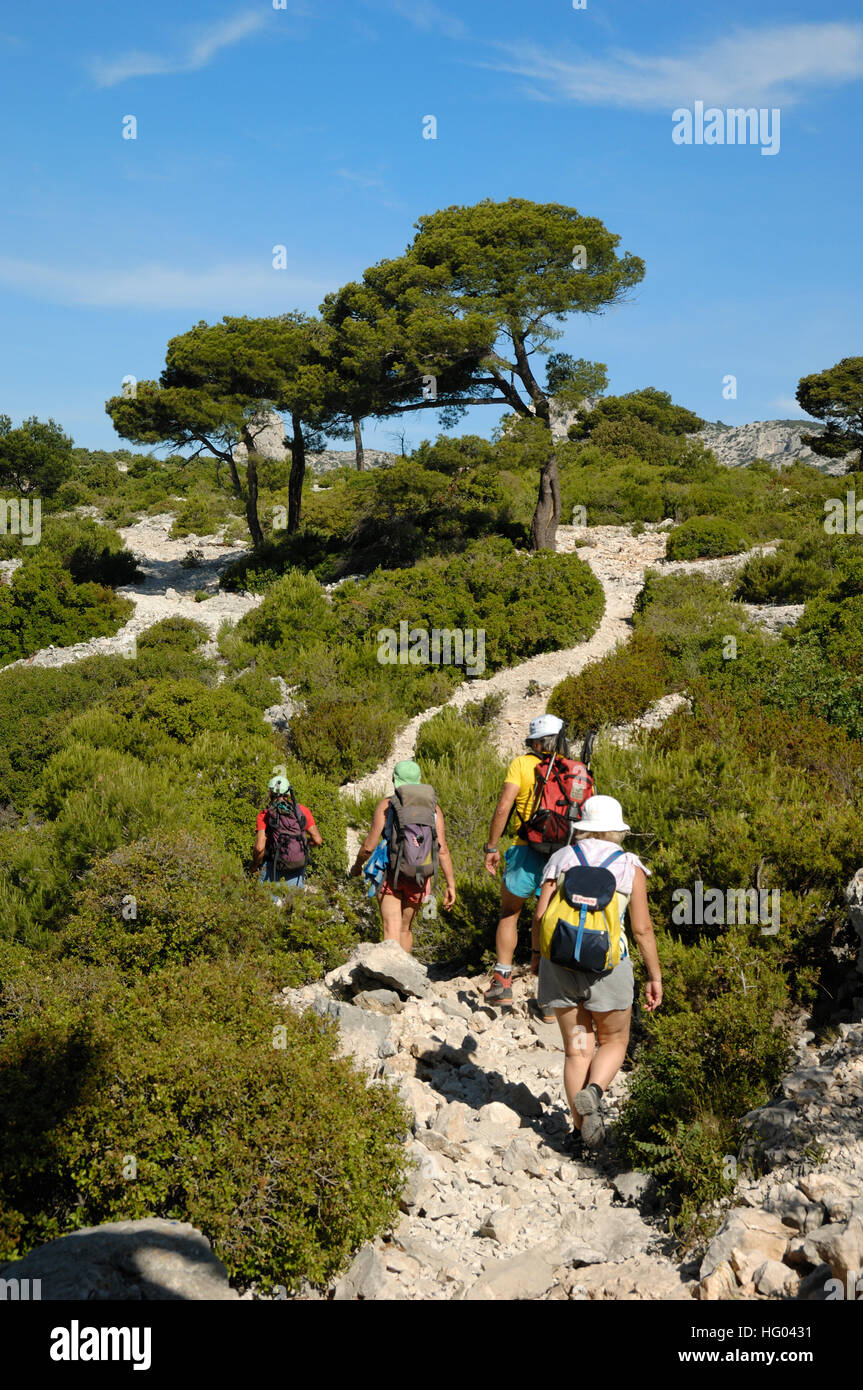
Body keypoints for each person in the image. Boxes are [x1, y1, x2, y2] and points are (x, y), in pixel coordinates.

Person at [530, 794, 663, 1154]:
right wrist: (655, 975)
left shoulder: (560, 859)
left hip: (560, 967)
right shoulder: (628, 865)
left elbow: (541, 916)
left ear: (583, 827)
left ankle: (579, 1136)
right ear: (616, 830)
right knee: (615, 1041)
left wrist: (536, 957)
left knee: (577, 1051)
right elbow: (642, 929)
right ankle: (595, 1092)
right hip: (609, 969)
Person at [482, 714, 571, 1013]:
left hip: (525, 847)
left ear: (534, 741)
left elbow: (504, 805)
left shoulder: (522, 764)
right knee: (549, 919)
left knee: (510, 912)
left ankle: (502, 985)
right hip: (564, 854)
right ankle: (547, 999)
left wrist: (492, 846)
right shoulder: (575, 769)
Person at [349, 759, 456, 955]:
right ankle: (404, 977)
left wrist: (357, 866)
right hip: (419, 875)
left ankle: (391, 979)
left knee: (391, 927)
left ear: (395, 781)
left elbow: (368, 846)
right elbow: (442, 850)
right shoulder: (434, 809)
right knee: (405, 929)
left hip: (390, 872)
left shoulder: (388, 805)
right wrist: (450, 885)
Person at [252, 775, 322, 898]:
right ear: (289, 794)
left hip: (273, 867)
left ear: (270, 794)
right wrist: (301, 846)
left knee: (265, 904)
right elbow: (317, 840)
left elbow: (259, 848)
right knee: (294, 906)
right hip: (298, 866)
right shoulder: (303, 811)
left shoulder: (265, 814)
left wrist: (254, 866)